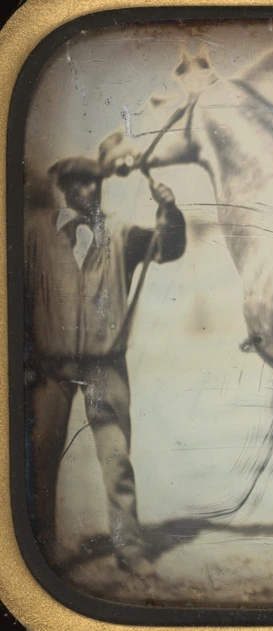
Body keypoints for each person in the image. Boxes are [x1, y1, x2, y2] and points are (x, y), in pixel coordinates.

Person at [24, 155, 186, 578]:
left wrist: (169, 211)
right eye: (80, 183)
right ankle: (42, 550)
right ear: (63, 187)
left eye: (96, 183)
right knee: (40, 458)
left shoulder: (120, 233)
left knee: (117, 460)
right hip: (51, 369)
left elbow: (166, 247)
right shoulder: (34, 235)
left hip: (105, 368)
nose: (90, 190)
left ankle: (129, 547)